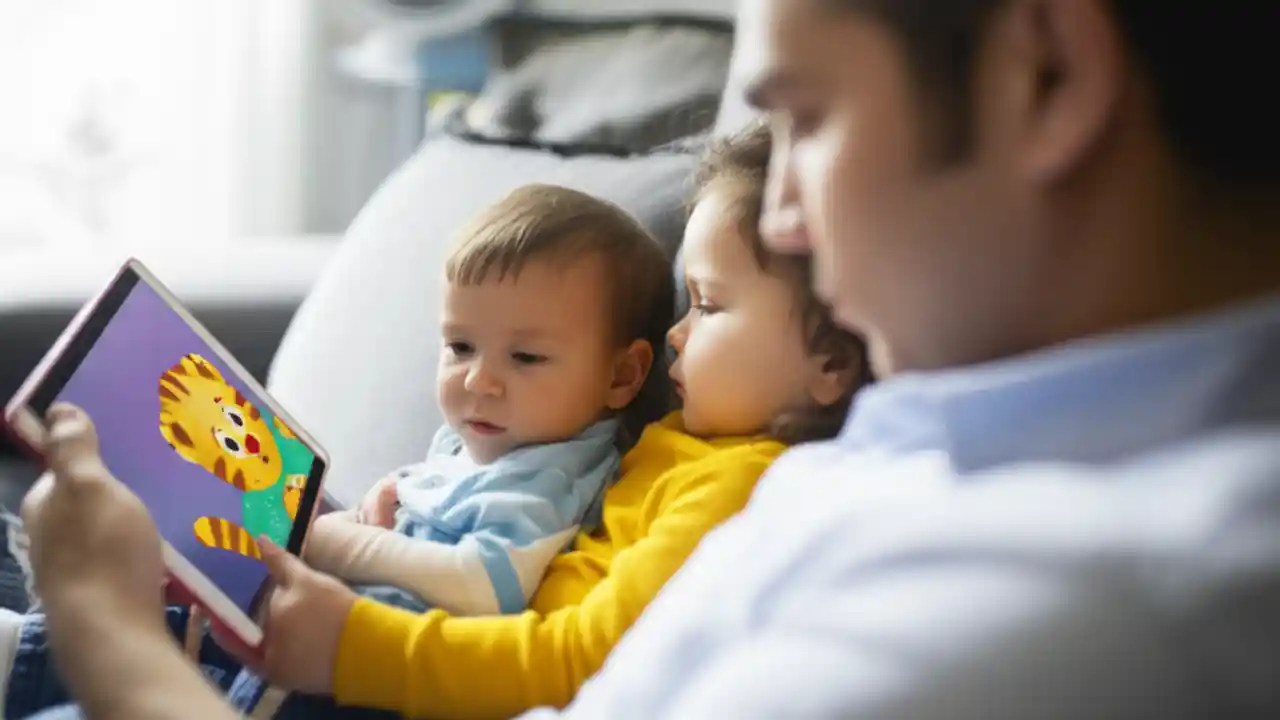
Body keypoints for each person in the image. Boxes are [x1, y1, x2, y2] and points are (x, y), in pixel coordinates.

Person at [17, 121, 872, 719]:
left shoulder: (738, 487)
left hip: (395, 668)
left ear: (830, 364)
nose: (678, 330)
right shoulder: (682, 442)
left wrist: (352, 638)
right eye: (685, 300)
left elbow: (573, 656)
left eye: (710, 306)